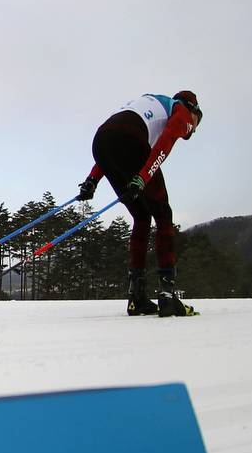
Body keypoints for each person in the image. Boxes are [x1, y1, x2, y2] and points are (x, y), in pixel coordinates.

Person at [75, 90, 202, 317]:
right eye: (197, 119)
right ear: (191, 108)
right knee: (163, 214)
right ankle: (167, 295)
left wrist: (91, 180)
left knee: (142, 216)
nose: (194, 126)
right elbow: (165, 143)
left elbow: (114, 137)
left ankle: (137, 297)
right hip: (130, 141)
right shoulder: (180, 110)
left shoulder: (148, 102)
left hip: (102, 141)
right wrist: (144, 175)